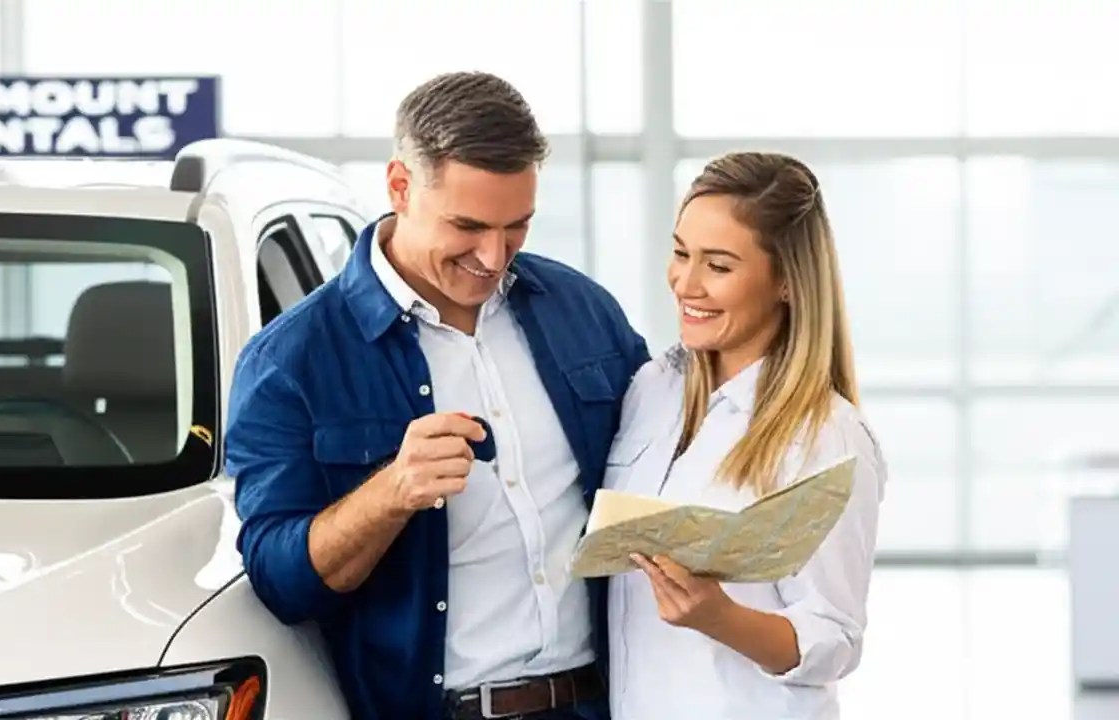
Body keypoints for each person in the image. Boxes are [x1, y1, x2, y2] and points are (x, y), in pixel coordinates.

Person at [225, 71, 649, 720]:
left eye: (517, 228)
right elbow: (282, 583)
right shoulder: (289, 362)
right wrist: (393, 491)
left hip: (601, 704)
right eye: (468, 226)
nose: (493, 256)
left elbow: (664, 457)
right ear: (399, 186)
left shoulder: (584, 312)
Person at [603, 152, 887, 719]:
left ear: (785, 281)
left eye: (719, 265)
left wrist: (720, 617)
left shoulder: (827, 435)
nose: (686, 282)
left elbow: (835, 639)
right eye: (681, 253)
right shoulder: (652, 390)